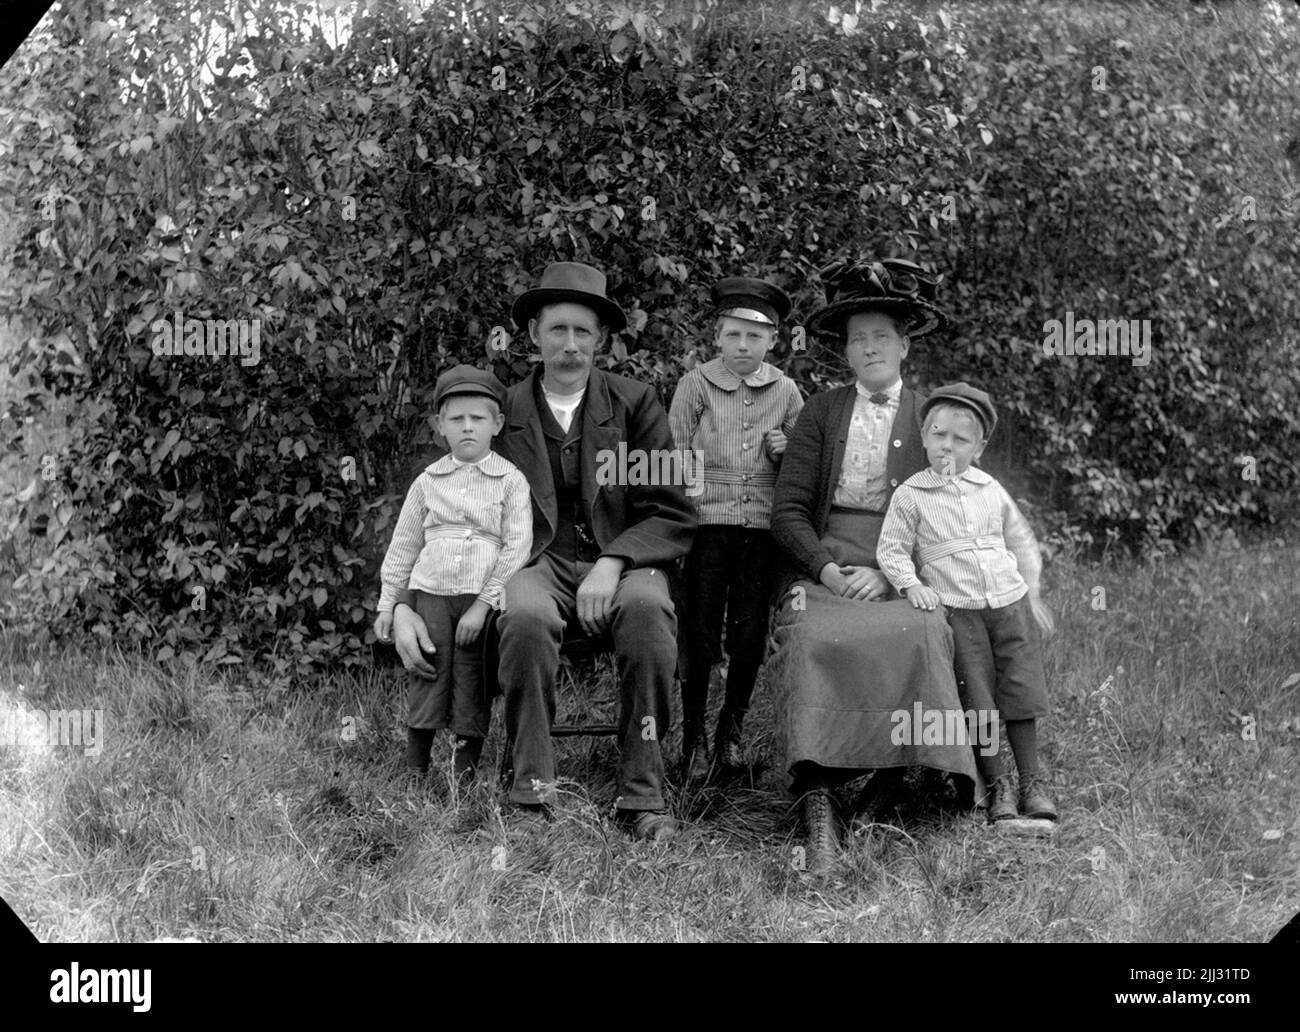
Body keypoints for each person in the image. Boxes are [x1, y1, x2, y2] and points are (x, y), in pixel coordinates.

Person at [389, 262, 696, 841]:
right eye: (557, 330)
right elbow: (445, 512)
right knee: (525, 614)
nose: (571, 346)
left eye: (584, 332)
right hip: (536, 561)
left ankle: (643, 796)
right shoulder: (501, 415)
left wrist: (614, 560)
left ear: (601, 339)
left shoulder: (634, 406)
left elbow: (670, 509)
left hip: (625, 561)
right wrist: (404, 602)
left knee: (651, 614)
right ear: (533, 334)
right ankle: (531, 793)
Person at [768, 257, 978, 873]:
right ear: (845, 351)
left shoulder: (928, 417)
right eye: (857, 339)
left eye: (880, 337)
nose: (868, 349)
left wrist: (892, 575)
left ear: (905, 346)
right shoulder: (822, 412)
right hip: (826, 564)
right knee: (809, 637)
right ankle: (818, 790)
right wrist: (826, 572)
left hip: (905, 566)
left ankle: (891, 778)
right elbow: (788, 513)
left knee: (919, 630)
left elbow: (949, 514)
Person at [876, 381, 1058, 821]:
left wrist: (1032, 595)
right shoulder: (912, 494)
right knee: (979, 699)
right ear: (923, 437)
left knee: (1021, 688)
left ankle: (1033, 782)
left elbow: (1022, 541)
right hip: (959, 610)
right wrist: (910, 583)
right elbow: (891, 549)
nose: (947, 446)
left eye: (961, 439)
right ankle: (999, 788)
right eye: (939, 434)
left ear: (979, 446)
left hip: (1009, 603)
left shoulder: (989, 488)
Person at [668, 276, 804, 776]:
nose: (743, 346)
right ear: (717, 337)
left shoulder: (787, 390)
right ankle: (694, 735)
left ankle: (732, 730)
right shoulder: (696, 384)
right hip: (707, 525)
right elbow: (675, 452)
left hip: (762, 530)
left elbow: (803, 459)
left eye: (755, 336)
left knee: (750, 636)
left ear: (772, 340)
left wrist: (786, 452)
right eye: (733, 335)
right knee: (700, 628)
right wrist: (690, 497)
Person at [373, 365, 532, 785]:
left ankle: (463, 783)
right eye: (456, 419)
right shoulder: (428, 482)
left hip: (479, 602)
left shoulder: (511, 482)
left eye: (477, 419)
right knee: (428, 676)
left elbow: (518, 547)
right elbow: (405, 544)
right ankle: (415, 777)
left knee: (471, 686)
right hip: (431, 597)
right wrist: (390, 602)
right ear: (439, 425)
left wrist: (484, 604)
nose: (467, 428)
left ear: (496, 424)